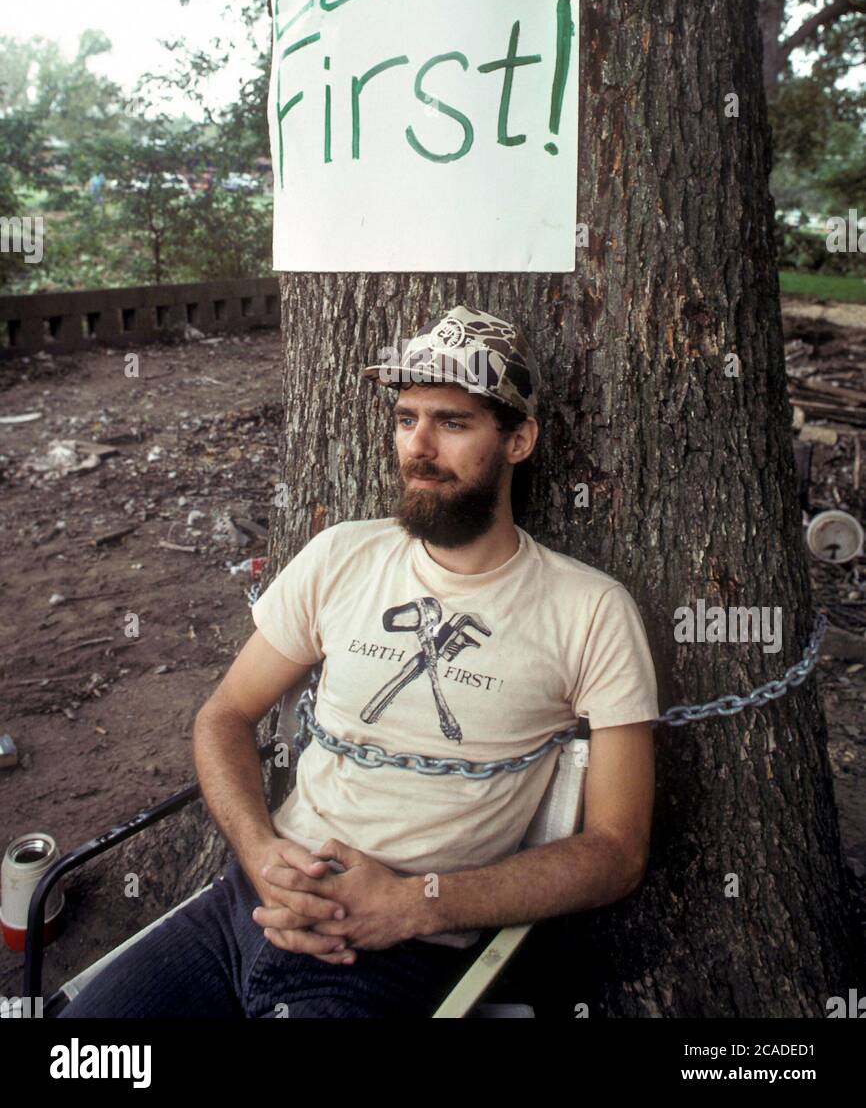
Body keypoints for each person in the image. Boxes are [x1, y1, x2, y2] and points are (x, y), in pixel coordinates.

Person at [58, 304, 658, 1019]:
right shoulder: (344, 556)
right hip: (250, 906)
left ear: (519, 440)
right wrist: (256, 849)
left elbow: (618, 851)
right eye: (407, 419)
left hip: (394, 951)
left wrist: (415, 905)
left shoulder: (588, 609)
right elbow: (225, 714)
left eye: (453, 422)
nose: (419, 446)